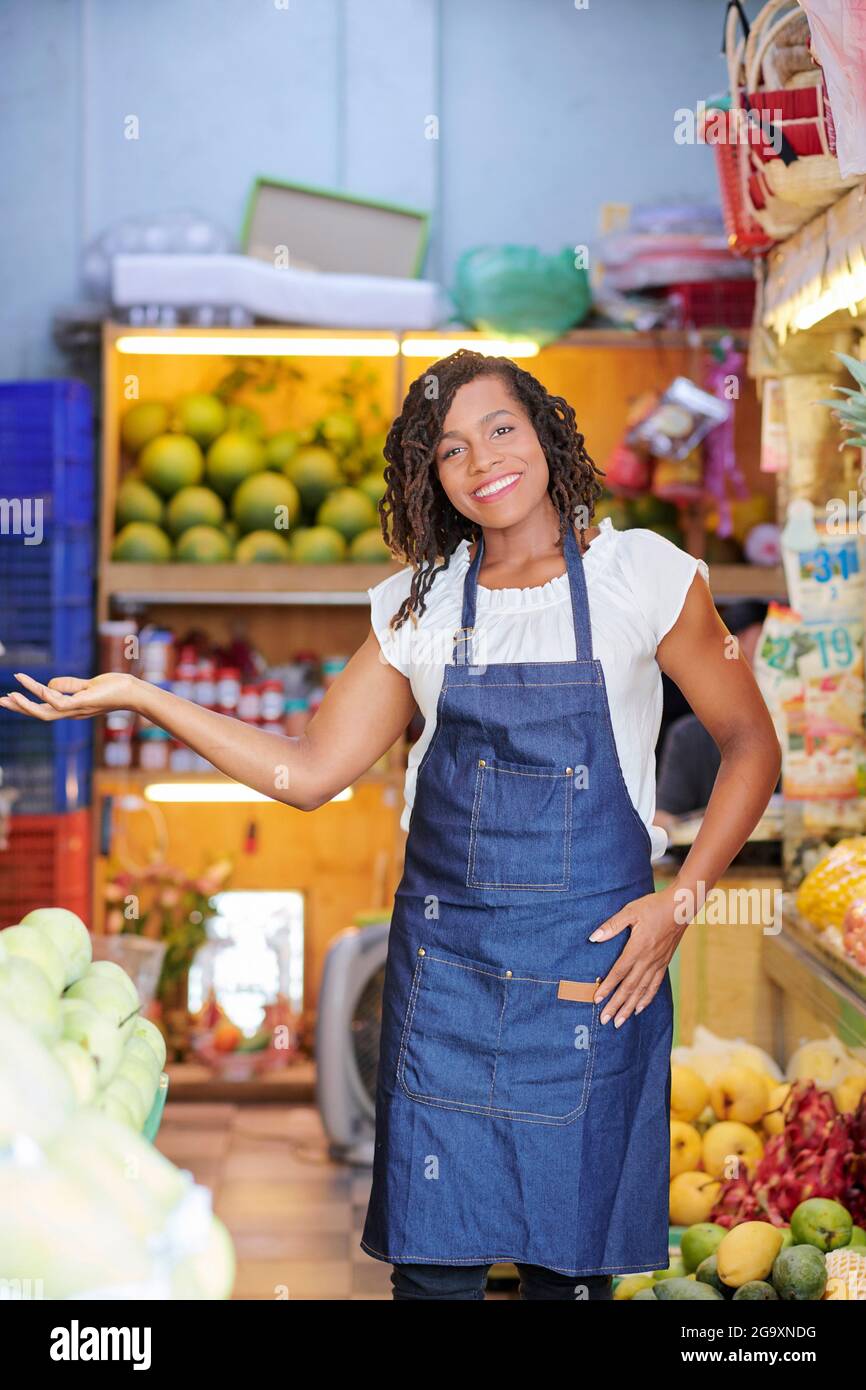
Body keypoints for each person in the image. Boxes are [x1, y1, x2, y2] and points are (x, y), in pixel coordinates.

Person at [1, 350, 781, 1301]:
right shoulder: (420, 606)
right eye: (449, 449)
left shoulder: (639, 577)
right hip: (446, 995)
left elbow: (750, 743)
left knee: (567, 1280)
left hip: (591, 980)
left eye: (500, 428)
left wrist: (680, 905)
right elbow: (307, 771)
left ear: (543, 431)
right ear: (432, 478)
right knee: (432, 1279)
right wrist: (142, 696)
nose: (482, 460)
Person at [655, 600, 771, 828]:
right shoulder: (688, 736)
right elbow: (663, 819)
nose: (755, 668)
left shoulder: (803, 733)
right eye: (742, 655)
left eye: (767, 656)